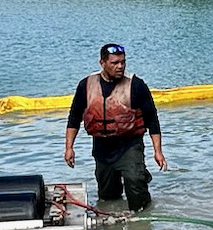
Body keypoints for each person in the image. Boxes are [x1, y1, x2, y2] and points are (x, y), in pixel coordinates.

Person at [63, 43, 166, 212]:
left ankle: (142, 219)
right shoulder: (86, 85)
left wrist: (158, 151)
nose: (120, 66)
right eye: (115, 63)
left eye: (123, 62)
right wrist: (69, 148)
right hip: (102, 148)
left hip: (129, 145)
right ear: (102, 63)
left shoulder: (136, 85)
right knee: (108, 197)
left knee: (135, 183)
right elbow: (74, 117)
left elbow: (152, 120)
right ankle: (113, 220)